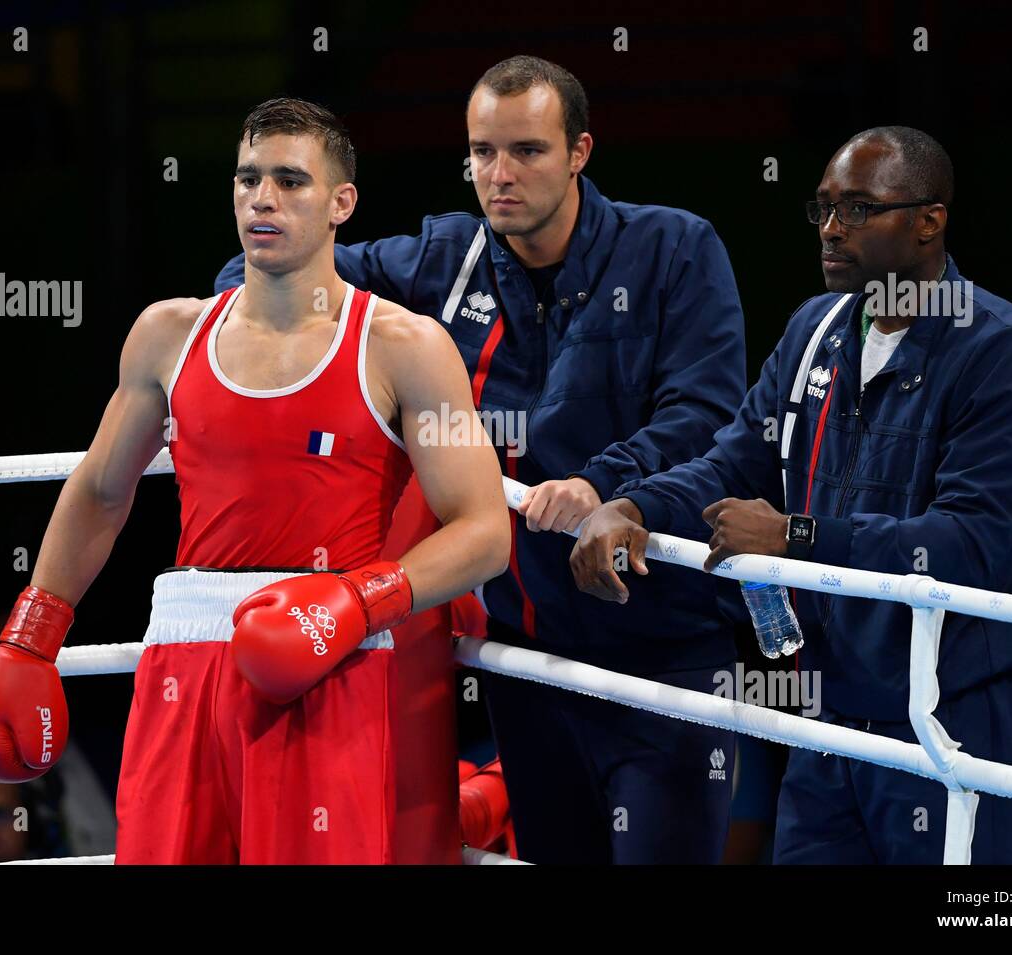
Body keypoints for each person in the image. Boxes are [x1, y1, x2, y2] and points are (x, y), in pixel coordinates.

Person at [217, 56, 748, 864]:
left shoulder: (674, 247)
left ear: (579, 151)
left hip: (664, 650)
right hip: (523, 653)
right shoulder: (444, 258)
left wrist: (601, 481)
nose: (499, 175)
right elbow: (263, 278)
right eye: (481, 152)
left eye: (527, 151)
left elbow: (706, 411)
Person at [0, 97, 510, 864]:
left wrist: (357, 599)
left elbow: (484, 531)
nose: (263, 199)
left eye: (290, 180)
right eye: (249, 178)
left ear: (342, 202)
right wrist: (31, 635)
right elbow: (100, 491)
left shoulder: (402, 346)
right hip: (182, 663)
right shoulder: (168, 333)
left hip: (329, 664)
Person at [571, 126, 1012, 864]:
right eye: (825, 208)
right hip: (825, 717)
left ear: (930, 220)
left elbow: (969, 546)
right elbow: (733, 462)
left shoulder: (1000, 352)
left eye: (860, 209)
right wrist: (631, 505)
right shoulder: (816, 330)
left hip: (952, 716)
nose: (832, 229)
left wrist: (797, 538)